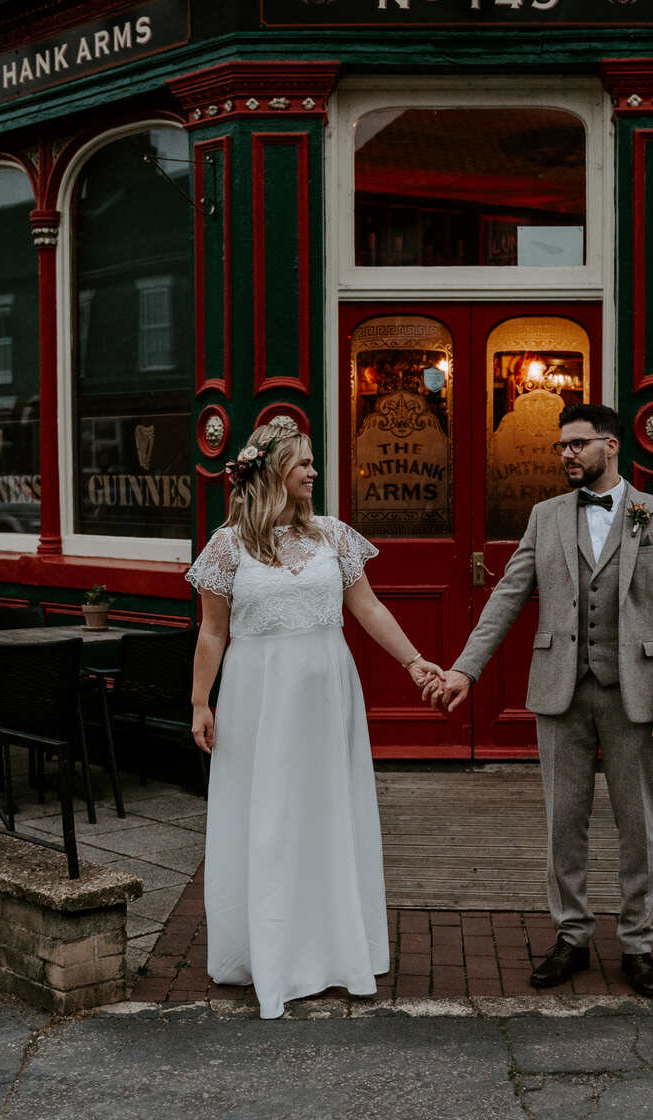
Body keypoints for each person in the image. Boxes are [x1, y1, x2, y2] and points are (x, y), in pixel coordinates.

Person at [426, 403, 653, 998]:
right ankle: (571, 935)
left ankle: (638, 944)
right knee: (563, 825)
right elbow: (507, 595)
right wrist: (466, 668)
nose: (567, 454)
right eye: (561, 447)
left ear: (611, 446)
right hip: (560, 689)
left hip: (637, 693)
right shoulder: (545, 516)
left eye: (578, 444)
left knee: (638, 825)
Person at [186, 421, 443, 1018]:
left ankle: (332, 945)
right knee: (269, 816)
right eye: (303, 462)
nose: (314, 471)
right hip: (257, 698)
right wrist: (201, 701)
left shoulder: (333, 537)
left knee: (327, 810)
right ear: (273, 469)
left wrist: (413, 662)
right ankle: (268, 949)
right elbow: (213, 631)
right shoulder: (228, 547)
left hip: (326, 693)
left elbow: (369, 607)